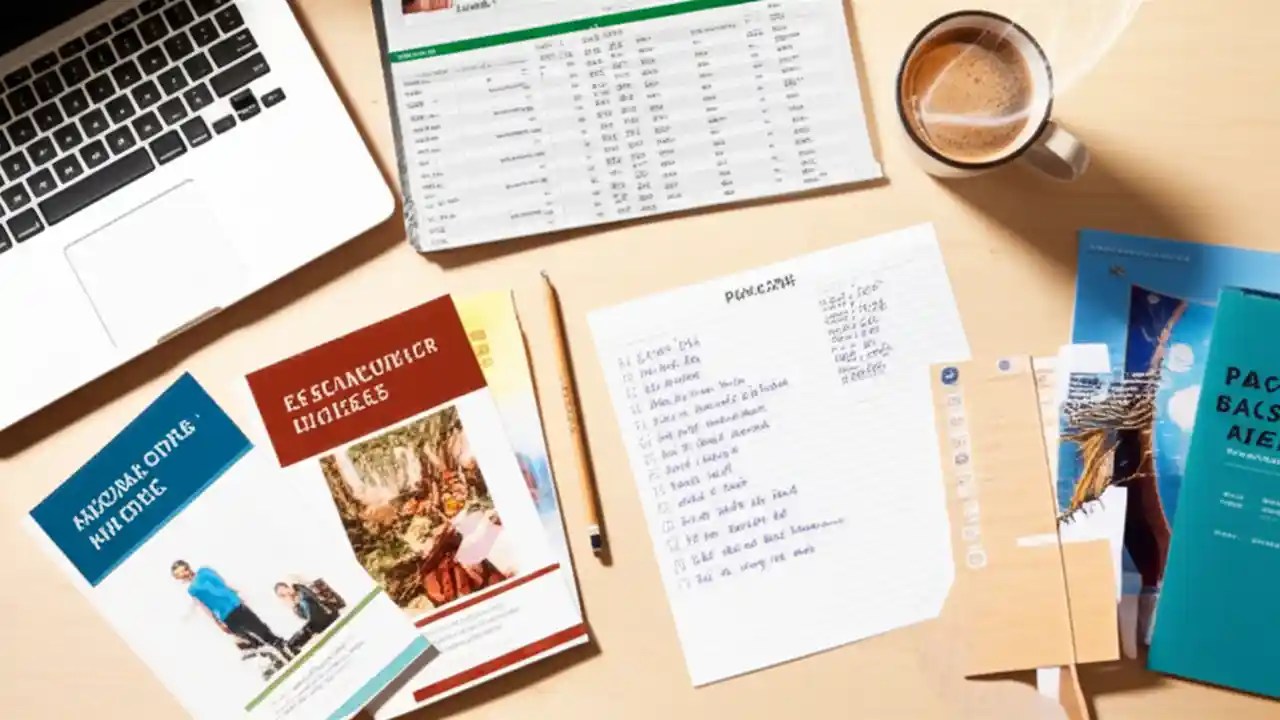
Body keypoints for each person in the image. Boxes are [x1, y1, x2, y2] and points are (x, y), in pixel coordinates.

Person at [171, 560, 293, 660]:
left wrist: (238, 596)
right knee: (248, 638)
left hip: (235, 605)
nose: (185, 574)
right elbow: (204, 606)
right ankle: (271, 656)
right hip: (224, 615)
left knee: (258, 627)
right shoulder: (192, 590)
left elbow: (222, 583)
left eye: (184, 570)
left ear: (188, 567)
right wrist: (218, 622)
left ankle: (281, 645)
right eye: (180, 574)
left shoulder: (204, 571)